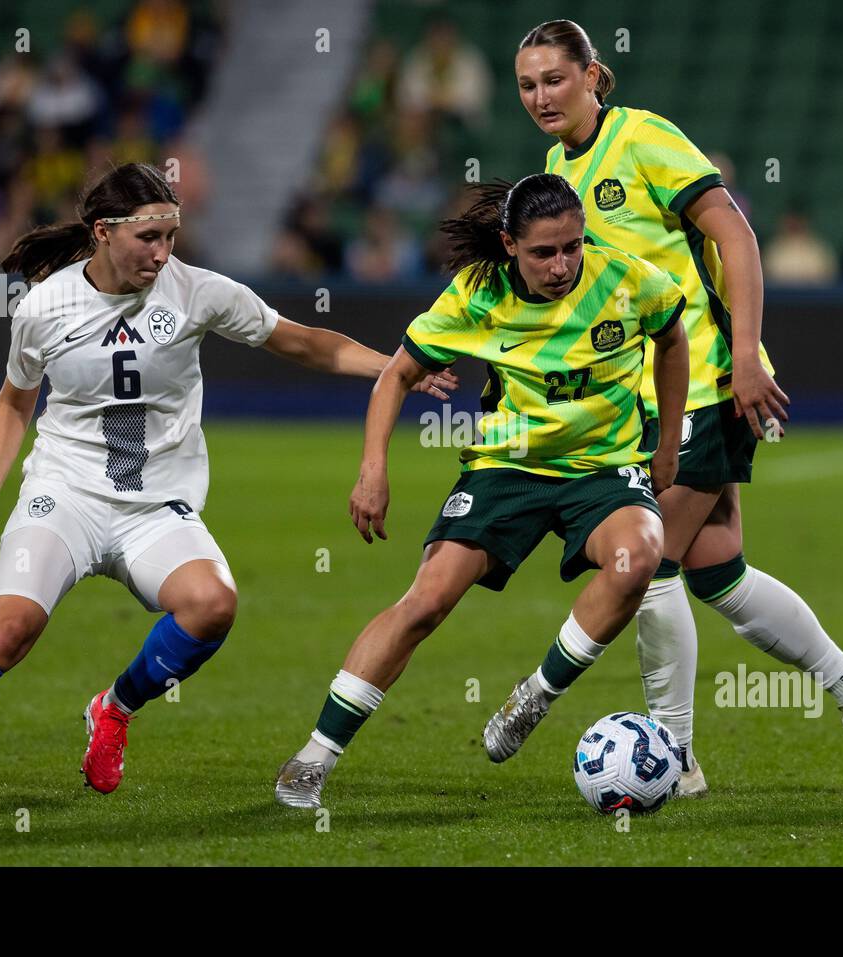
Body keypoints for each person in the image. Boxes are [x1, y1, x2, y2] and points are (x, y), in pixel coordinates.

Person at [0, 162, 457, 804]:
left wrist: (398, 369)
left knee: (212, 605)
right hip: (66, 495)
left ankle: (114, 708)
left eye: (172, 236)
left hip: (155, 506)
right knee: (9, 628)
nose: (164, 252)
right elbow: (13, 402)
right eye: (150, 238)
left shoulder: (196, 291)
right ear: (104, 232)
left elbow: (307, 343)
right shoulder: (43, 307)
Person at [513, 20, 843, 791]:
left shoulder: (646, 139)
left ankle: (676, 756)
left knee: (647, 563)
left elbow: (737, 237)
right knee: (717, 571)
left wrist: (748, 355)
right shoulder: (557, 166)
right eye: (527, 85)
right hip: (649, 400)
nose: (541, 98)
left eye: (555, 79)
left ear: (593, 76)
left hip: (707, 383)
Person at [274, 173, 690, 809]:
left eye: (573, 247)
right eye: (543, 252)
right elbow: (395, 376)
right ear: (509, 245)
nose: (561, 265)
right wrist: (372, 470)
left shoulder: (630, 280)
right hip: (507, 467)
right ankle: (315, 756)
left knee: (639, 560)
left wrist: (664, 445)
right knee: (426, 601)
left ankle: (536, 697)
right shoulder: (476, 293)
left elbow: (672, 339)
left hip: (602, 468)